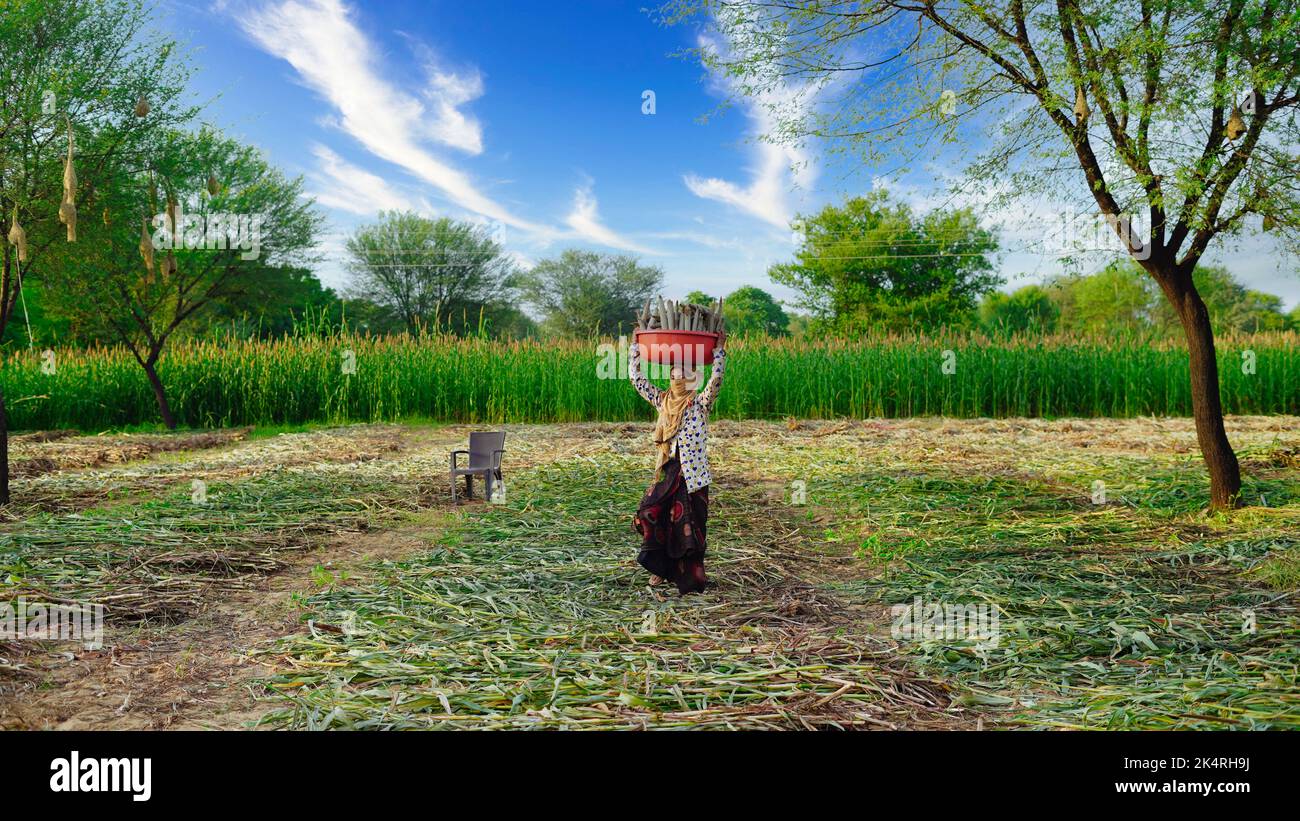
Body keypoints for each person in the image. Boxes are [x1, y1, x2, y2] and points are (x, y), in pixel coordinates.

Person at [628, 335, 726, 594]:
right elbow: (637, 381)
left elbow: (715, 381)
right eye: (673, 375)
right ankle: (660, 568)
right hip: (669, 470)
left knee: (688, 527)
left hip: (694, 475)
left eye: (682, 375)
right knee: (649, 512)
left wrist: (719, 352)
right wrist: (636, 348)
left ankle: (687, 578)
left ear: (691, 380)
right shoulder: (663, 401)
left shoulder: (700, 404)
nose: (677, 380)